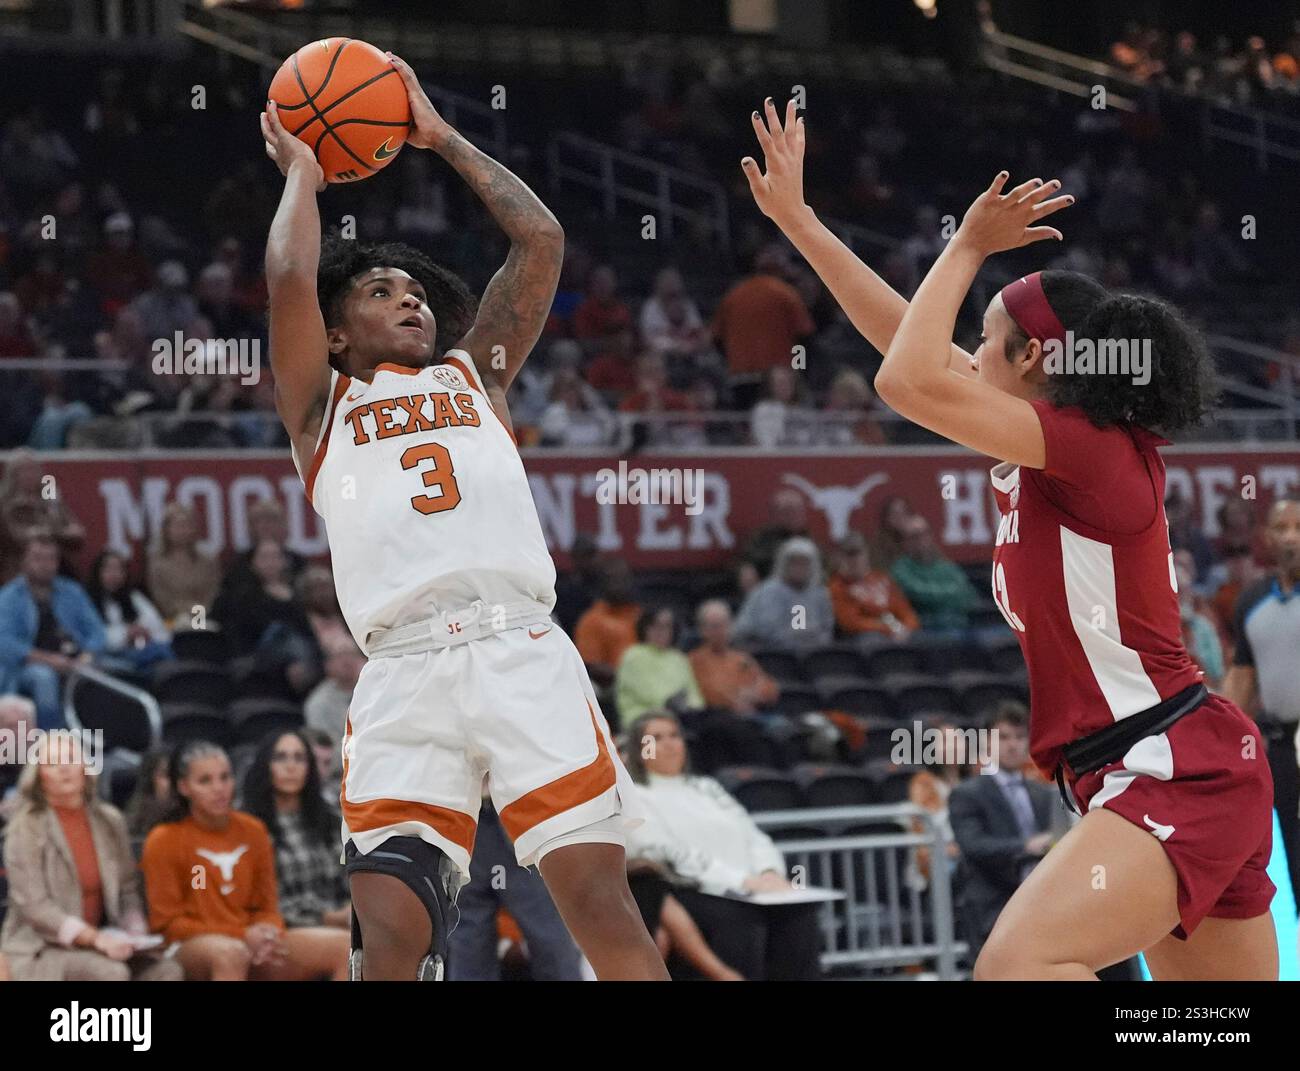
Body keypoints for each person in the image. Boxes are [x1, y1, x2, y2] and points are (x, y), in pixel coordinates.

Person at [743, 98, 1276, 979]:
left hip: (1171, 764)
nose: (970, 353)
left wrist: (968, 246)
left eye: (985, 341)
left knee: (1014, 970)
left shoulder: (1090, 450)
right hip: (1156, 763)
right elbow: (899, 335)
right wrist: (798, 221)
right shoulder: (1050, 437)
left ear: (1033, 361)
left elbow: (904, 378)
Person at [259, 55, 664, 982]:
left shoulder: (472, 373)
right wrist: (303, 174)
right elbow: (289, 272)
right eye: (378, 291)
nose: (408, 299)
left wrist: (438, 136)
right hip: (402, 667)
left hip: (517, 645)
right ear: (334, 333)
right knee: (392, 936)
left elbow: (541, 242)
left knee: (600, 906)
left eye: (415, 291)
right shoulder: (320, 411)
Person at [623, 712, 822, 980]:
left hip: (751, 886)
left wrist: (769, 872)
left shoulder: (707, 787)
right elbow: (663, 852)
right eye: (656, 738)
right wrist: (740, 881)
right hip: (689, 889)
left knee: (799, 913)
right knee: (741, 920)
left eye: (674, 735)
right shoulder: (634, 795)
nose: (670, 744)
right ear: (638, 748)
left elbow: (751, 834)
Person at [140, 740, 349, 981]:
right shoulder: (164, 839)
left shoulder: (253, 830)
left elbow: (267, 905)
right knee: (231, 953)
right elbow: (167, 924)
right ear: (184, 787)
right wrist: (242, 934)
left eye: (225, 777)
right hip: (187, 945)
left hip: (251, 938)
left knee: (343, 946)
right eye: (205, 781)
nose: (219, 788)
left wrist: (268, 933)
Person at [1, 736, 182, 981]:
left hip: (104, 938)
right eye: (53, 763)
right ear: (38, 777)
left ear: (86, 769)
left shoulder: (110, 821)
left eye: (71, 760)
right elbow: (36, 907)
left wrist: (135, 934)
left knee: (167, 971)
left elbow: (127, 890)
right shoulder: (25, 827)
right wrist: (94, 939)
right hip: (43, 946)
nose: (64, 768)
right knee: (110, 973)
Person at [1223, 497, 1300, 914]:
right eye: (1282, 528)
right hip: (1282, 747)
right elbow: (1242, 679)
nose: (1291, 537)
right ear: (1267, 537)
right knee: (1294, 855)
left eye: (1299, 528)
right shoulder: (1251, 601)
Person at [948, 704, 1057, 959]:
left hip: (1044, 901)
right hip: (994, 904)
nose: (1013, 745)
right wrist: (1026, 846)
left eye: (1020, 737)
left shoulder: (1043, 794)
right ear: (987, 742)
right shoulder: (967, 794)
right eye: (1003, 737)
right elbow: (973, 845)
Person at [241, 730, 352, 933]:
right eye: (280, 758)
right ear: (264, 765)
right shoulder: (248, 826)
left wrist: (350, 911)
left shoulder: (331, 818)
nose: (290, 767)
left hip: (343, 922)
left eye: (299, 758)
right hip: (281, 928)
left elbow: (350, 876)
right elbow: (258, 900)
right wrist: (327, 918)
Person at [0, 533, 106, 731]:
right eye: (38, 558)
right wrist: (49, 660)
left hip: (75, 659)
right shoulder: (8, 597)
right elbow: (5, 644)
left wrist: (88, 655)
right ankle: (53, 744)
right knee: (44, 678)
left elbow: (97, 631)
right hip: (28, 666)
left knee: (116, 670)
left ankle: (111, 738)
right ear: (24, 562)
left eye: (51, 559)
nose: (45, 564)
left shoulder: (72, 591)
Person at [733, 536, 834, 651]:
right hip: (766, 652)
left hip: (810, 655)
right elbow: (768, 631)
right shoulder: (768, 592)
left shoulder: (820, 593)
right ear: (784, 564)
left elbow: (826, 629)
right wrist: (801, 638)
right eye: (794, 563)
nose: (799, 568)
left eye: (804, 563)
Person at [84, 549, 173, 672]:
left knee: (161, 651)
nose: (114, 575)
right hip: (106, 655)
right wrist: (126, 634)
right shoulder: (85, 600)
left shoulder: (133, 597)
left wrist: (143, 632)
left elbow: (160, 630)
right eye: (108, 569)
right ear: (98, 572)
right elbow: (91, 636)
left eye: (119, 570)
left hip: (140, 649)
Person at [615, 607, 705, 727]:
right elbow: (647, 694)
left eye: (667, 626)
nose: (661, 631)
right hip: (644, 718)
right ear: (645, 628)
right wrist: (673, 703)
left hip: (680, 715)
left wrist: (693, 707)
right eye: (656, 626)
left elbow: (694, 694)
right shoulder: (633, 655)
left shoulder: (679, 658)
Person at [888, 516, 980, 633]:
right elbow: (919, 593)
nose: (921, 540)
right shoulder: (900, 570)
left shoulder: (946, 566)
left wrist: (945, 596)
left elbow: (966, 593)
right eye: (915, 536)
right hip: (924, 629)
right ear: (905, 541)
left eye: (925, 534)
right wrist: (950, 595)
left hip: (959, 625)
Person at [829, 532, 919, 641]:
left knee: (923, 639)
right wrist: (887, 629)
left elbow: (905, 611)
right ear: (840, 558)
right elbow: (850, 622)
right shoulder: (837, 586)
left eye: (857, 553)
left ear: (866, 554)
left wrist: (906, 628)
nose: (853, 560)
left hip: (896, 630)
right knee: (872, 639)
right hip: (863, 637)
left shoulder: (882, 579)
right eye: (848, 555)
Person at [145, 501, 221, 628]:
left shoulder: (207, 560)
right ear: (166, 529)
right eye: (177, 526)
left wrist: (199, 613)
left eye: (186, 525)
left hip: (205, 617)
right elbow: (161, 598)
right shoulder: (157, 563)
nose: (182, 531)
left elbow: (213, 592)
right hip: (171, 621)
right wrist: (184, 612)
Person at [122, 747, 174, 844]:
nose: (174, 783)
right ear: (149, 780)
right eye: (166, 775)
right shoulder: (132, 824)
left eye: (177, 775)